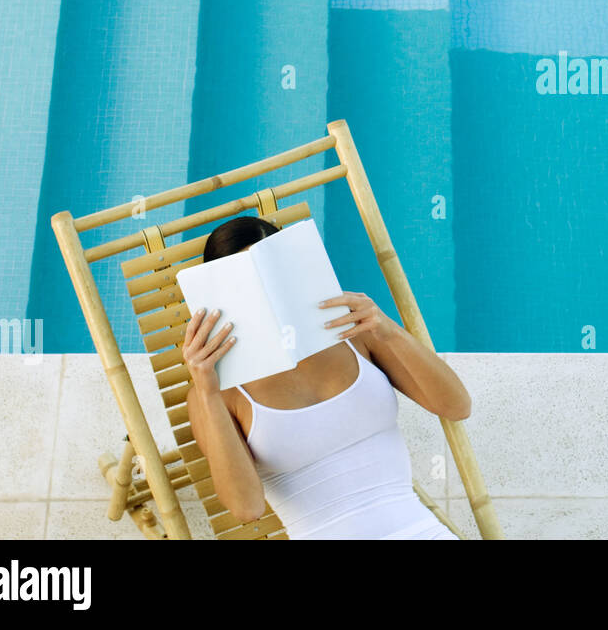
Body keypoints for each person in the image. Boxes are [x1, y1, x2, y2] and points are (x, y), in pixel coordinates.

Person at [184, 215, 467, 539]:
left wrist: (388, 330)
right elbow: (246, 508)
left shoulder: (354, 330)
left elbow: (457, 406)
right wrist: (207, 392)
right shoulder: (218, 392)